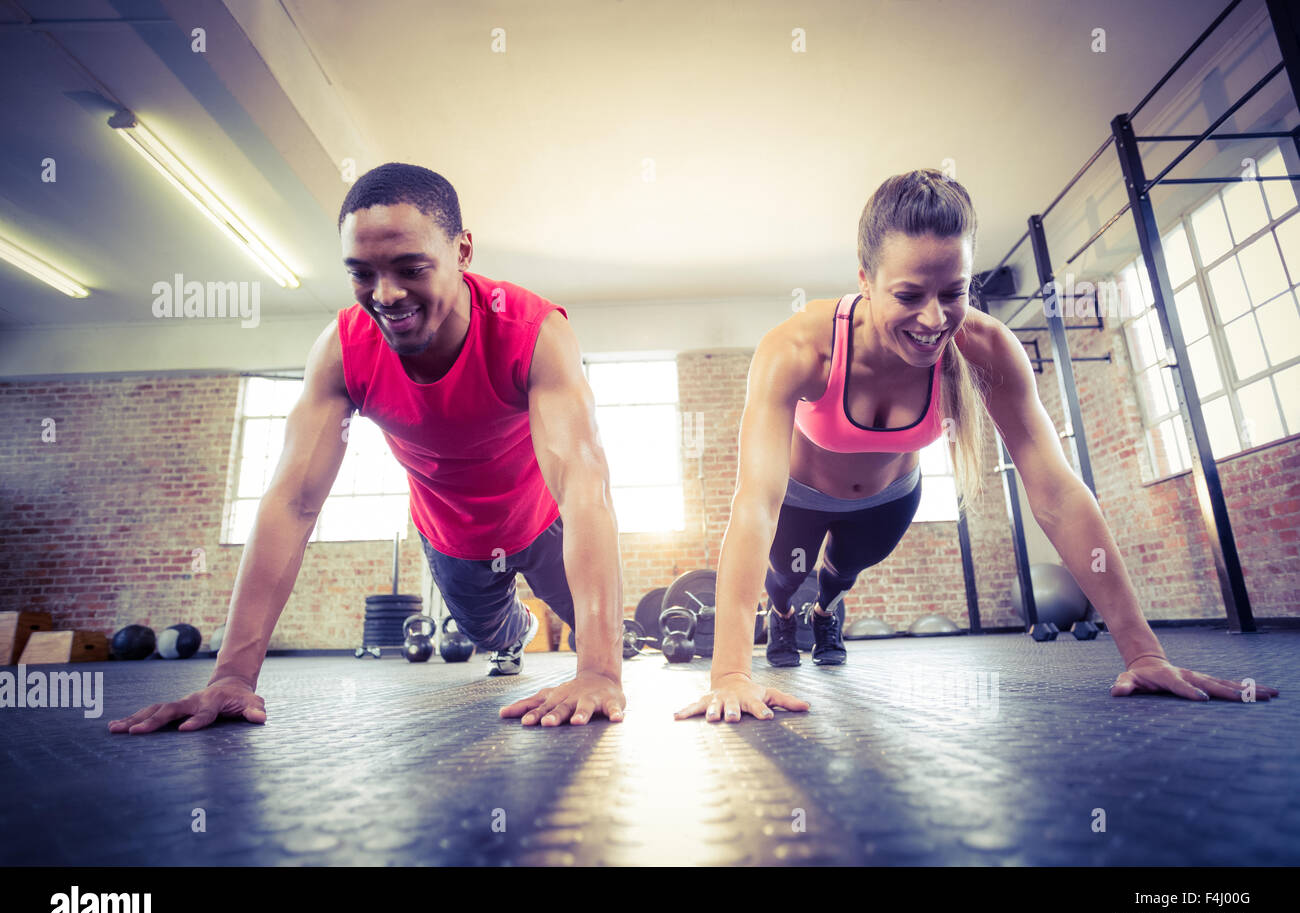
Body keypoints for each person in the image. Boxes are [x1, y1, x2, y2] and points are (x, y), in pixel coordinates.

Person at [676, 169, 1278, 723]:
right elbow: (756, 502)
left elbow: (1057, 492)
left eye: (954, 292)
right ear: (865, 280)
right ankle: (783, 618)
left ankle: (825, 615)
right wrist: (731, 672)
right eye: (909, 295)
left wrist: (1143, 652)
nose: (935, 319)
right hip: (800, 498)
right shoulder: (800, 348)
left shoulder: (986, 346)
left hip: (888, 499)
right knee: (785, 579)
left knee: (840, 575)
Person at [110, 163, 626, 734]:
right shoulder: (343, 350)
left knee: (606, 633)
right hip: (454, 538)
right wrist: (231, 675)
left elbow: (584, 485)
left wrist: (600, 671)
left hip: (547, 521)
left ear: (463, 251)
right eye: (361, 273)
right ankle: (518, 632)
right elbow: (292, 504)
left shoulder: (532, 332)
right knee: (492, 635)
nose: (385, 295)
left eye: (410, 269)